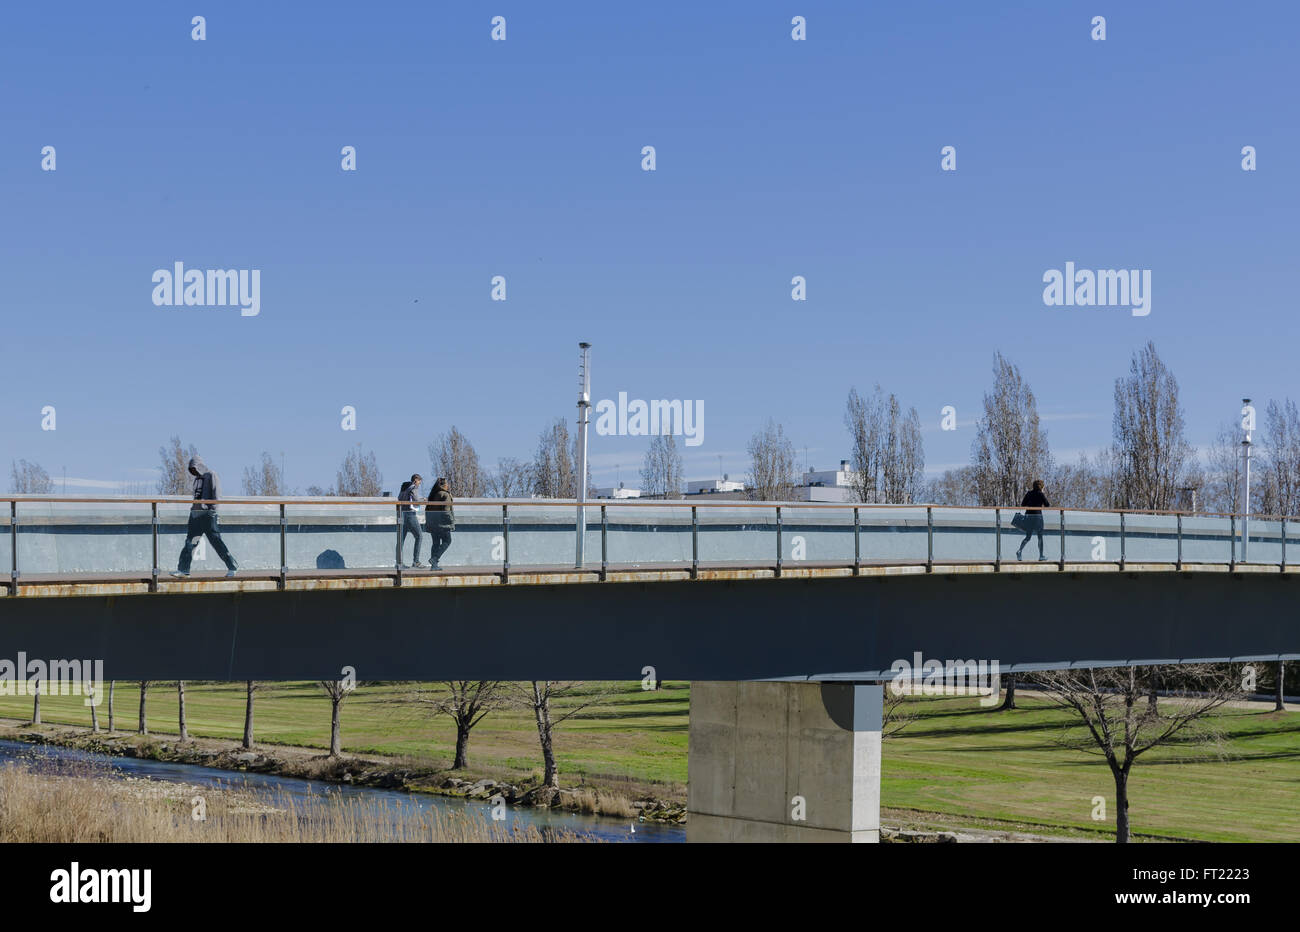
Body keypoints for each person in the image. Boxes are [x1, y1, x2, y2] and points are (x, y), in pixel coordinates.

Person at [172, 455, 238, 578]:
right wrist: (193, 510)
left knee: (216, 542)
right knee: (189, 543)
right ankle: (183, 570)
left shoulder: (211, 475)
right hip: (196, 515)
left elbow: (217, 495)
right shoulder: (197, 479)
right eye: (191, 469)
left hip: (208, 515)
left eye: (194, 468)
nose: (193, 471)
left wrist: (213, 511)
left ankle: (232, 566)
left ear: (199, 466)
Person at [425, 477, 455, 570]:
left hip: (433, 523)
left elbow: (427, 510)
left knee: (436, 543)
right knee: (447, 541)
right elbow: (447, 511)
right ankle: (434, 559)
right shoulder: (445, 495)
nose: (448, 485)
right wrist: (451, 521)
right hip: (442, 524)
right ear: (444, 485)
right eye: (447, 484)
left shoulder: (433, 494)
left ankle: (434, 566)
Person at [1017, 479, 1050, 561]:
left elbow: (1023, 504)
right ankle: (1041, 555)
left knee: (1028, 537)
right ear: (1041, 487)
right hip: (1038, 517)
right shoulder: (1040, 494)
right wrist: (1042, 495)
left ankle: (1019, 550)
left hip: (1029, 516)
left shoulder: (1029, 493)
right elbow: (1047, 505)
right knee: (1040, 537)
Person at [398, 474, 426, 568]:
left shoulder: (404, 487)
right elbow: (416, 500)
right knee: (419, 536)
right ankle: (416, 561)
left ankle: (399, 563)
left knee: (401, 539)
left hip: (403, 515)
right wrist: (424, 500)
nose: (419, 484)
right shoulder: (413, 488)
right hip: (410, 515)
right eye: (419, 482)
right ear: (415, 480)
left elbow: (399, 498)